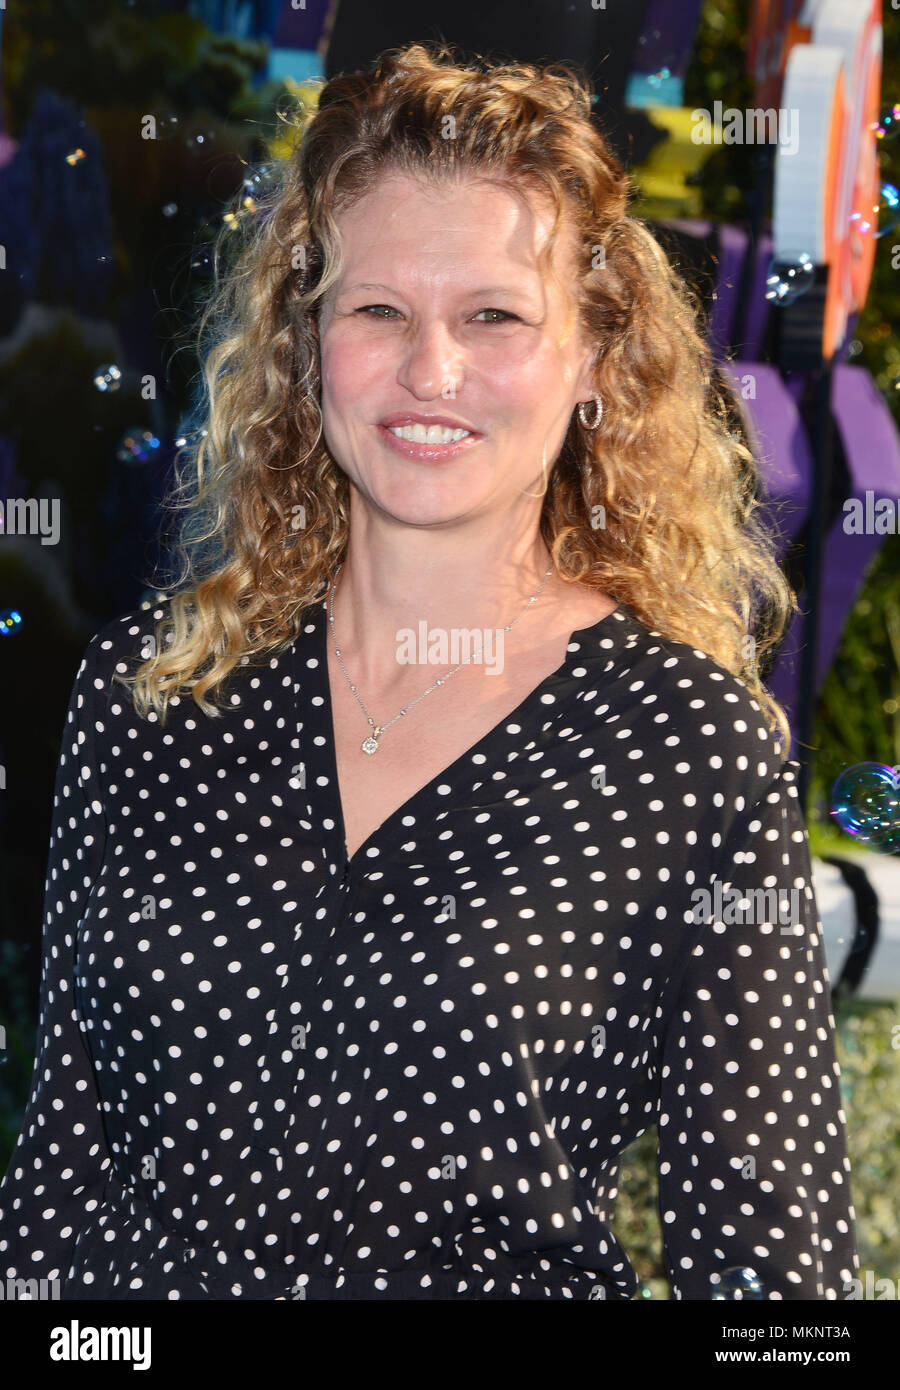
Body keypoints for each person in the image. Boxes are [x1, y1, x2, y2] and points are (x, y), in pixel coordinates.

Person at [0, 42, 858, 1300]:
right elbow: (62, 1177)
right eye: (378, 309)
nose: (430, 371)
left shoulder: (690, 748)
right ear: (307, 343)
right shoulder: (149, 689)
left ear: (593, 367)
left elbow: (775, 1276)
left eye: (495, 315)